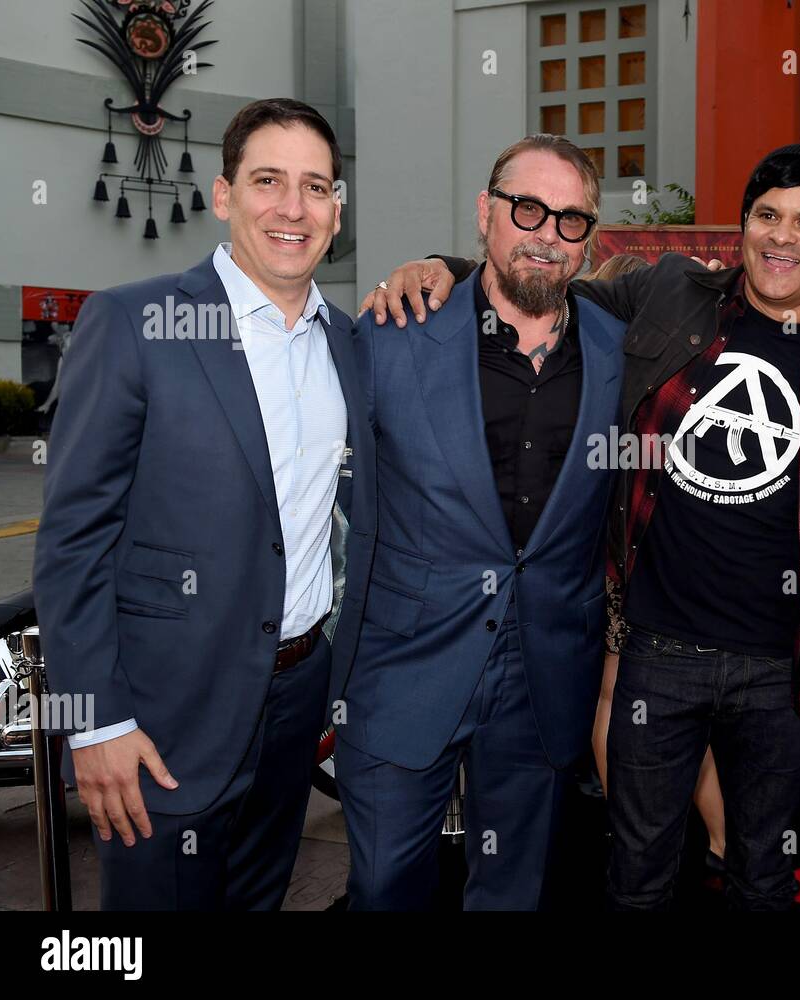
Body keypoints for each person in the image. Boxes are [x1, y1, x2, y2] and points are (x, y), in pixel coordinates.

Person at [362, 142, 800, 911]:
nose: (781, 236)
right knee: (636, 876)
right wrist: (439, 266)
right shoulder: (672, 295)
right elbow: (537, 280)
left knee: (765, 876)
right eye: (766, 215)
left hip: (781, 668)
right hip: (658, 652)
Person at [33, 98, 375, 909]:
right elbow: (73, 541)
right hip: (160, 719)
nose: (293, 208)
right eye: (269, 181)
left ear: (336, 209)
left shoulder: (351, 343)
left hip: (296, 702)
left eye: (316, 187)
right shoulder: (133, 322)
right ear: (223, 196)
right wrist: (97, 723)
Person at [336, 134, 626, 910]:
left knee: (515, 891)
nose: (547, 234)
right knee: (383, 885)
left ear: (589, 240)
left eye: (571, 221)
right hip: (405, 665)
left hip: (543, 675)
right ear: (485, 215)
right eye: (528, 208)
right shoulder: (392, 332)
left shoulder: (619, 352)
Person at [584, 252, 727, 873]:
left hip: (622, 550)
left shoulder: (596, 351)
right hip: (641, 550)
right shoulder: (649, 358)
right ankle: (716, 841)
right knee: (656, 703)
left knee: (619, 696)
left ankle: (637, 834)